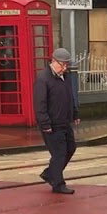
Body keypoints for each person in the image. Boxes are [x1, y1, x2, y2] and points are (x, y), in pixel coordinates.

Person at [34, 48, 81, 195]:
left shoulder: (64, 77)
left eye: (67, 65)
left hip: (64, 121)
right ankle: (58, 184)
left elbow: (69, 96)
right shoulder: (43, 79)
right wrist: (45, 124)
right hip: (52, 124)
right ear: (53, 61)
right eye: (63, 65)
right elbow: (39, 104)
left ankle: (50, 173)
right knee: (59, 153)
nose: (65, 68)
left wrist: (74, 113)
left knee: (70, 148)